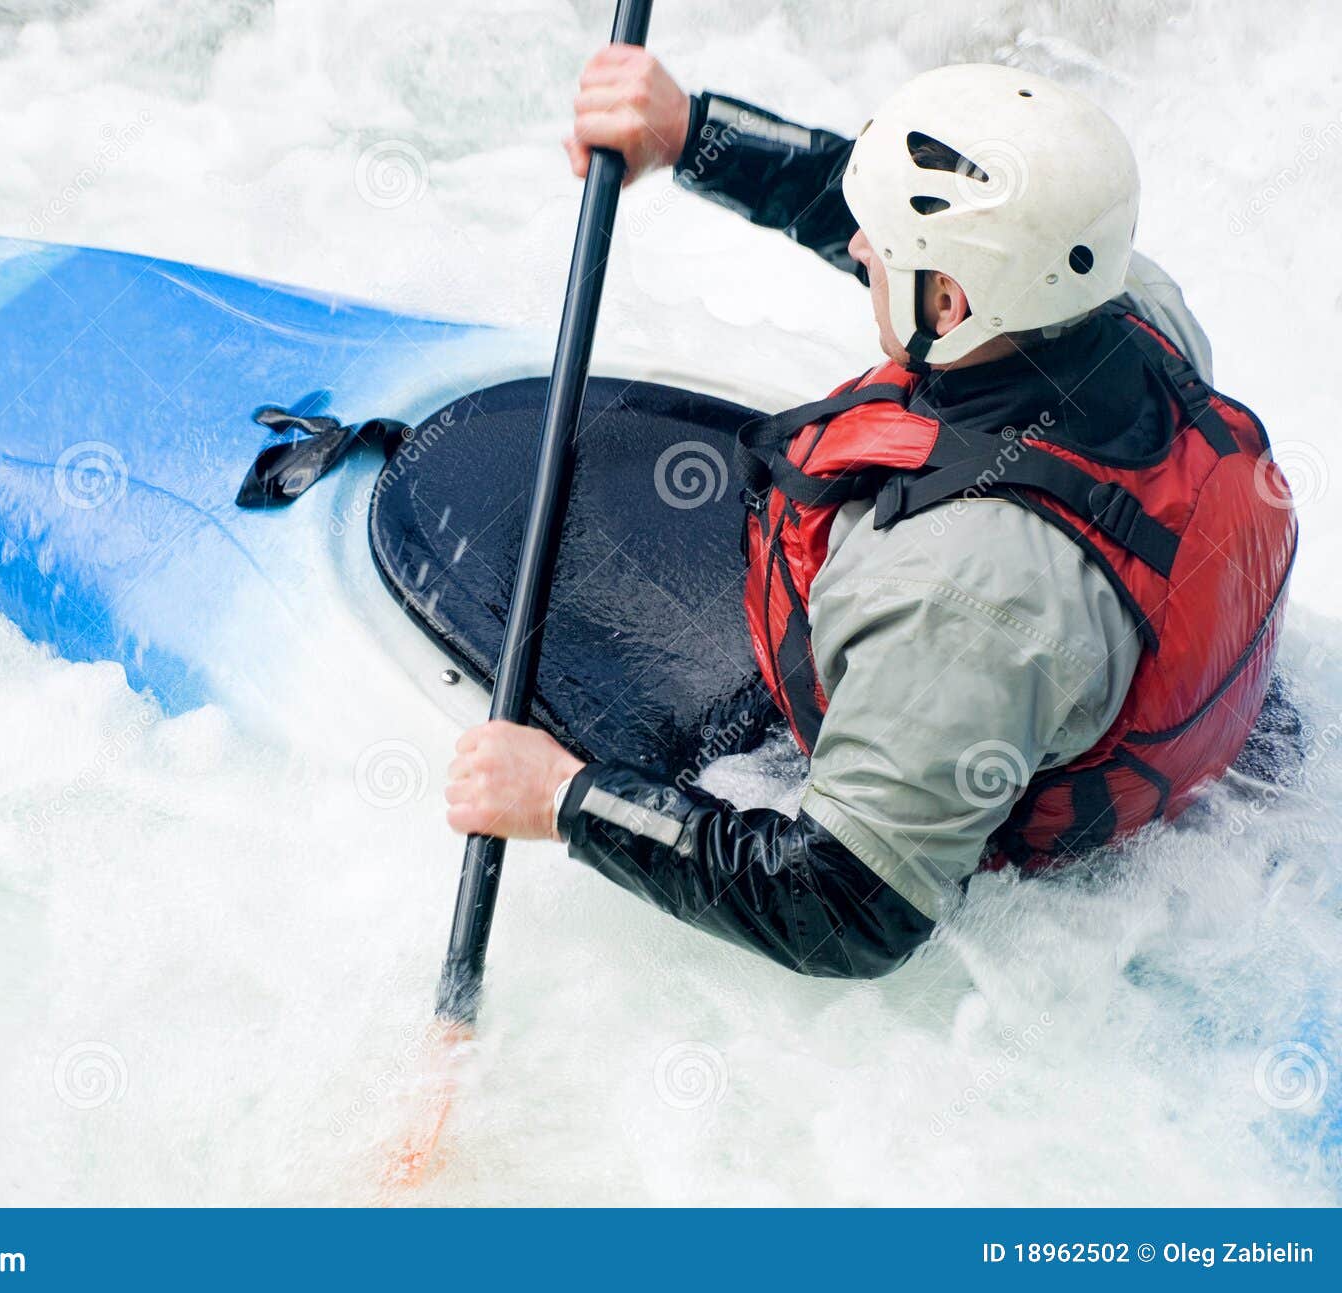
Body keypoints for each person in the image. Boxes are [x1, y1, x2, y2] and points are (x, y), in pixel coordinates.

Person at [443, 49, 1298, 978]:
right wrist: (695, 134)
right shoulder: (1130, 302)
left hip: (1006, 829)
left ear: (951, 299)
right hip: (1096, 709)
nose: (857, 247)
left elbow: (846, 908)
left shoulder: (959, 593)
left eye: (879, 244)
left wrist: (569, 800)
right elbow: (948, 250)